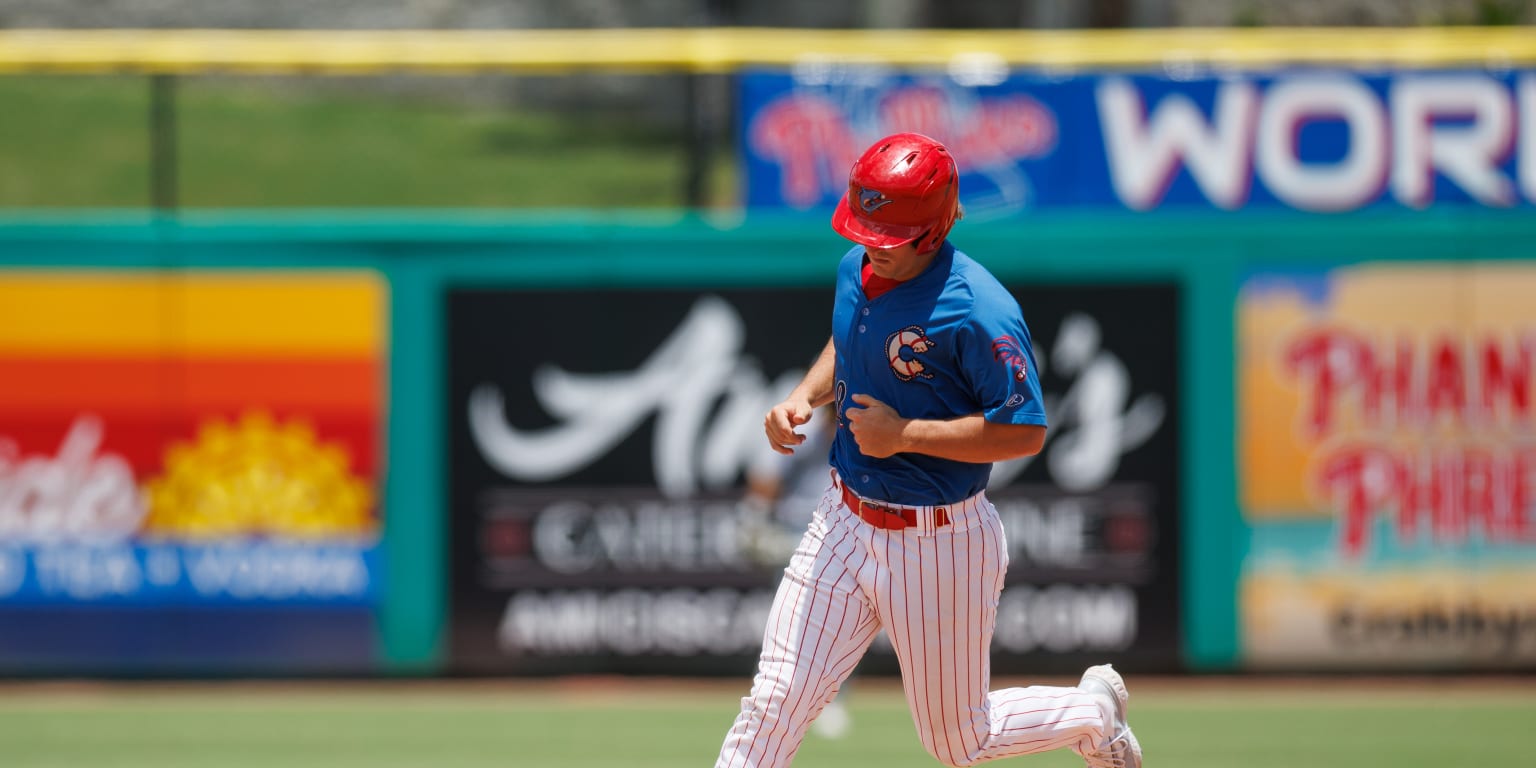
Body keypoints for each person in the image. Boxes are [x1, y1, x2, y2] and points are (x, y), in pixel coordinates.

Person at [714, 133, 1142, 768]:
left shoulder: (978, 308)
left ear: (932, 231)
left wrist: (906, 435)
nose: (869, 245)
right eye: (864, 228)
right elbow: (848, 343)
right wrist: (805, 397)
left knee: (957, 742)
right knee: (774, 704)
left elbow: (1024, 429)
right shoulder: (856, 270)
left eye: (884, 236)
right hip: (841, 519)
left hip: (938, 540)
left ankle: (1093, 712)